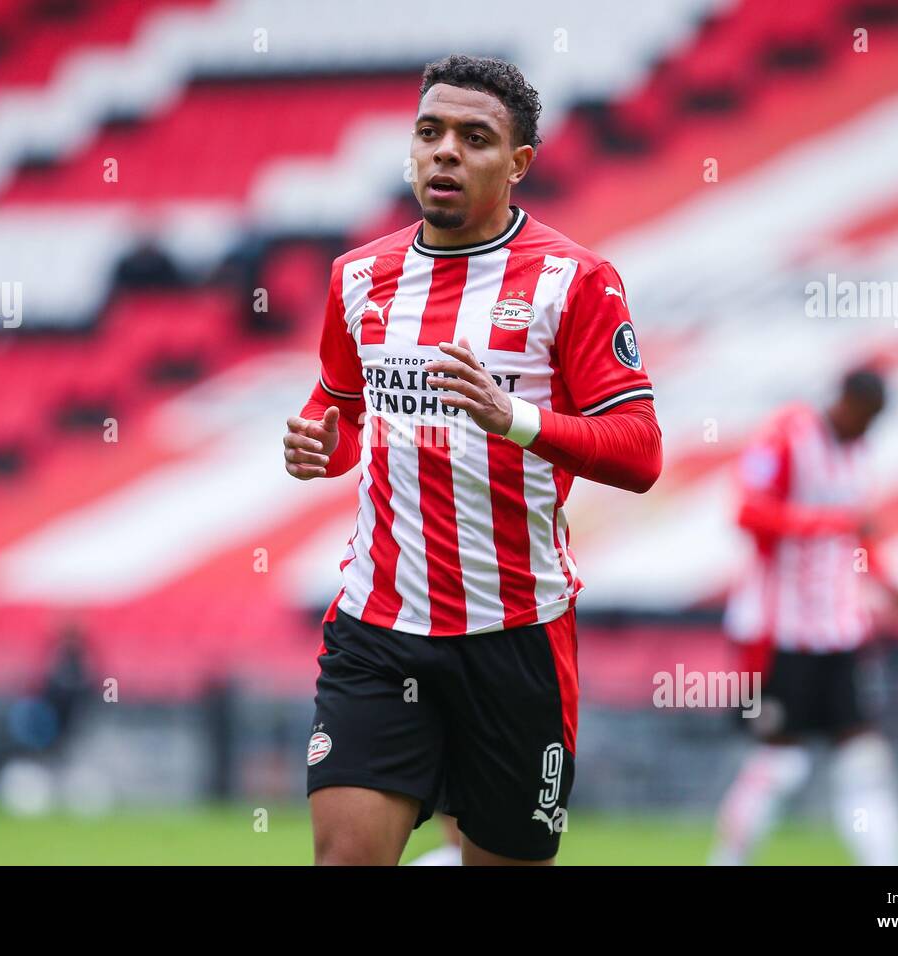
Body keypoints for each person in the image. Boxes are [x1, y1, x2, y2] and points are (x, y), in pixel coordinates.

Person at [283, 54, 663, 865]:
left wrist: (514, 416)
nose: (445, 151)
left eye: (474, 137)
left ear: (519, 164)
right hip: (378, 626)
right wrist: (320, 444)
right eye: (430, 132)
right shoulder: (359, 277)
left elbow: (640, 453)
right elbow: (342, 412)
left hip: (515, 633)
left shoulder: (576, 282)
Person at [710, 368, 898, 866]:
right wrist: (831, 521)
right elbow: (747, 513)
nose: (866, 429)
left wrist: (887, 582)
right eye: (864, 417)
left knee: (863, 761)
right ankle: (726, 860)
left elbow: (857, 537)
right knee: (780, 763)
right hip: (780, 631)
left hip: (840, 630)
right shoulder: (787, 436)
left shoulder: (859, 455)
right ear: (844, 400)